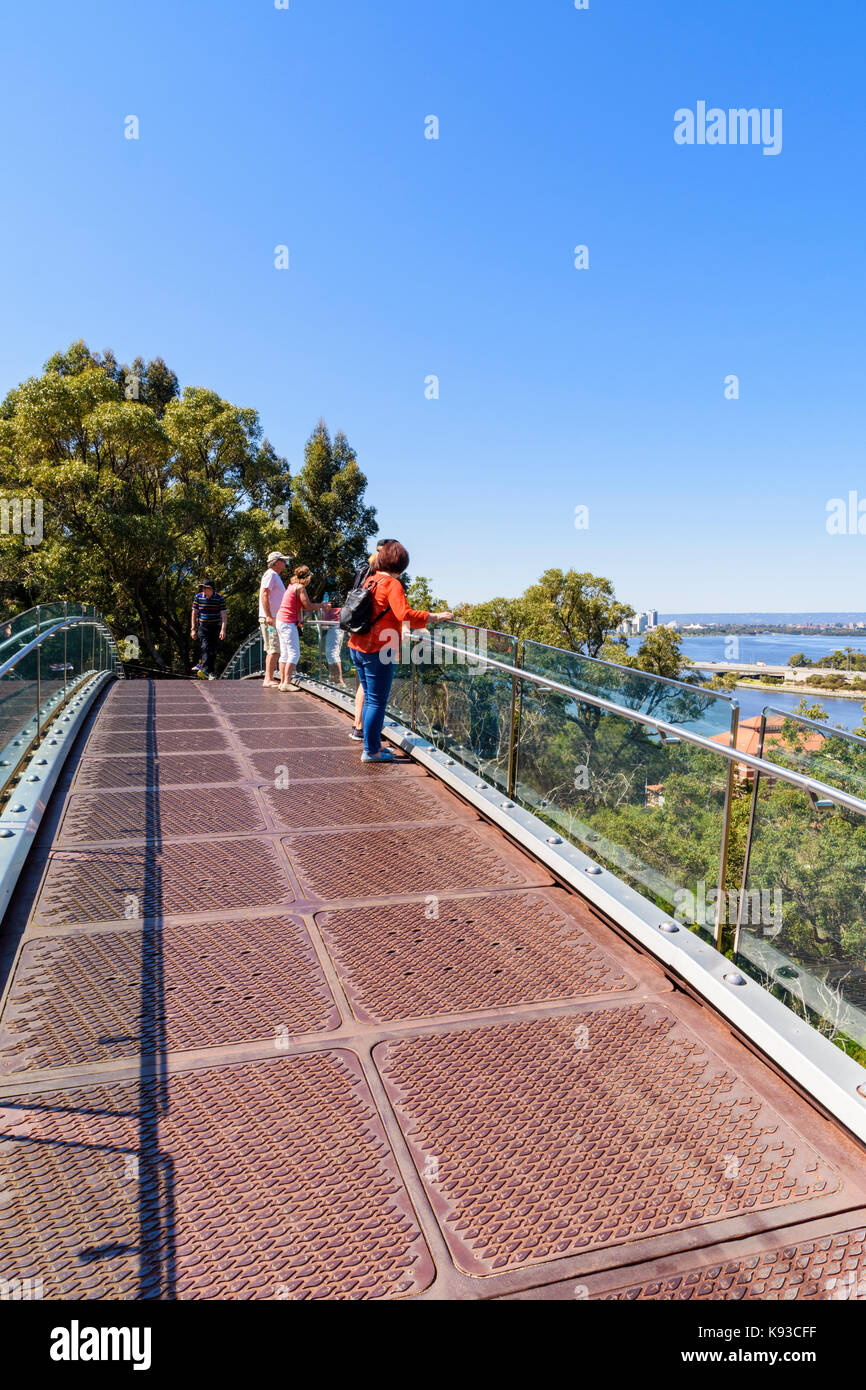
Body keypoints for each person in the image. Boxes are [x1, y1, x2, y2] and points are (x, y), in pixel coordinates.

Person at [348, 540, 452, 762]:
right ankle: (371, 750)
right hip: (377, 650)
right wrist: (435, 617)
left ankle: (372, 745)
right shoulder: (392, 584)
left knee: (370, 698)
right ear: (401, 564)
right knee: (376, 701)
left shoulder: (371, 580)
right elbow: (404, 614)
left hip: (357, 646)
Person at [349, 539, 397, 741]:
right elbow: (398, 611)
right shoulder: (380, 577)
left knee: (366, 688)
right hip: (373, 642)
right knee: (373, 696)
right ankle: (366, 735)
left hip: (358, 634)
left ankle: (360, 728)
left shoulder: (365, 572)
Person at [275, 565, 325, 691]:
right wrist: (322, 605)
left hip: (280, 620)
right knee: (294, 653)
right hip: (287, 622)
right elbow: (307, 605)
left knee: (285, 653)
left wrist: (299, 619)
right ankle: (286, 682)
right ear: (307, 578)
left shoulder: (291, 586)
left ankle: (282, 682)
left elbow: (295, 605)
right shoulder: (300, 588)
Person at [259, 551, 290, 688]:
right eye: (283, 561)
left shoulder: (274, 575)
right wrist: (269, 615)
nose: (285, 563)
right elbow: (265, 594)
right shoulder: (271, 574)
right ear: (277, 562)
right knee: (274, 648)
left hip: (274, 617)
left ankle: (269, 677)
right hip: (271, 618)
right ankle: (268, 679)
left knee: (274, 648)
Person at [191, 578, 227, 679]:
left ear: (211, 589)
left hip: (215, 626)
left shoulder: (219, 598)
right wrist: (193, 629)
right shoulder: (198, 597)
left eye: (205, 588)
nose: (203, 589)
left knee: (212, 650)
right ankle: (205, 670)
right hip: (203, 627)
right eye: (202, 587)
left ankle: (210, 673)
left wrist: (223, 629)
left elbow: (224, 615)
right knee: (205, 647)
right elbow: (194, 613)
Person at [317, 597, 346, 684]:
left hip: (334, 628)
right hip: (335, 629)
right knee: (331, 654)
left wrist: (323, 611)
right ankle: (333, 678)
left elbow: (325, 622)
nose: (325, 605)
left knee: (332, 654)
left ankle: (339, 680)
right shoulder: (334, 610)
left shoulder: (334, 610)